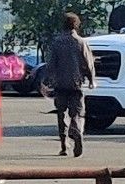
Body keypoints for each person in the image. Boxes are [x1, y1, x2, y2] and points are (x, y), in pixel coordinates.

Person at [40, 10, 95, 156]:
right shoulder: (81, 42)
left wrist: (45, 81)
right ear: (76, 25)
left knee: (61, 113)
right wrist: (91, 80)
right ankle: (76, 130)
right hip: (76, 84)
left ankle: (64, 145)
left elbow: (51, 65)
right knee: (77, 113)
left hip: (60, 84)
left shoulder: (57, 42)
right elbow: (88, 64)